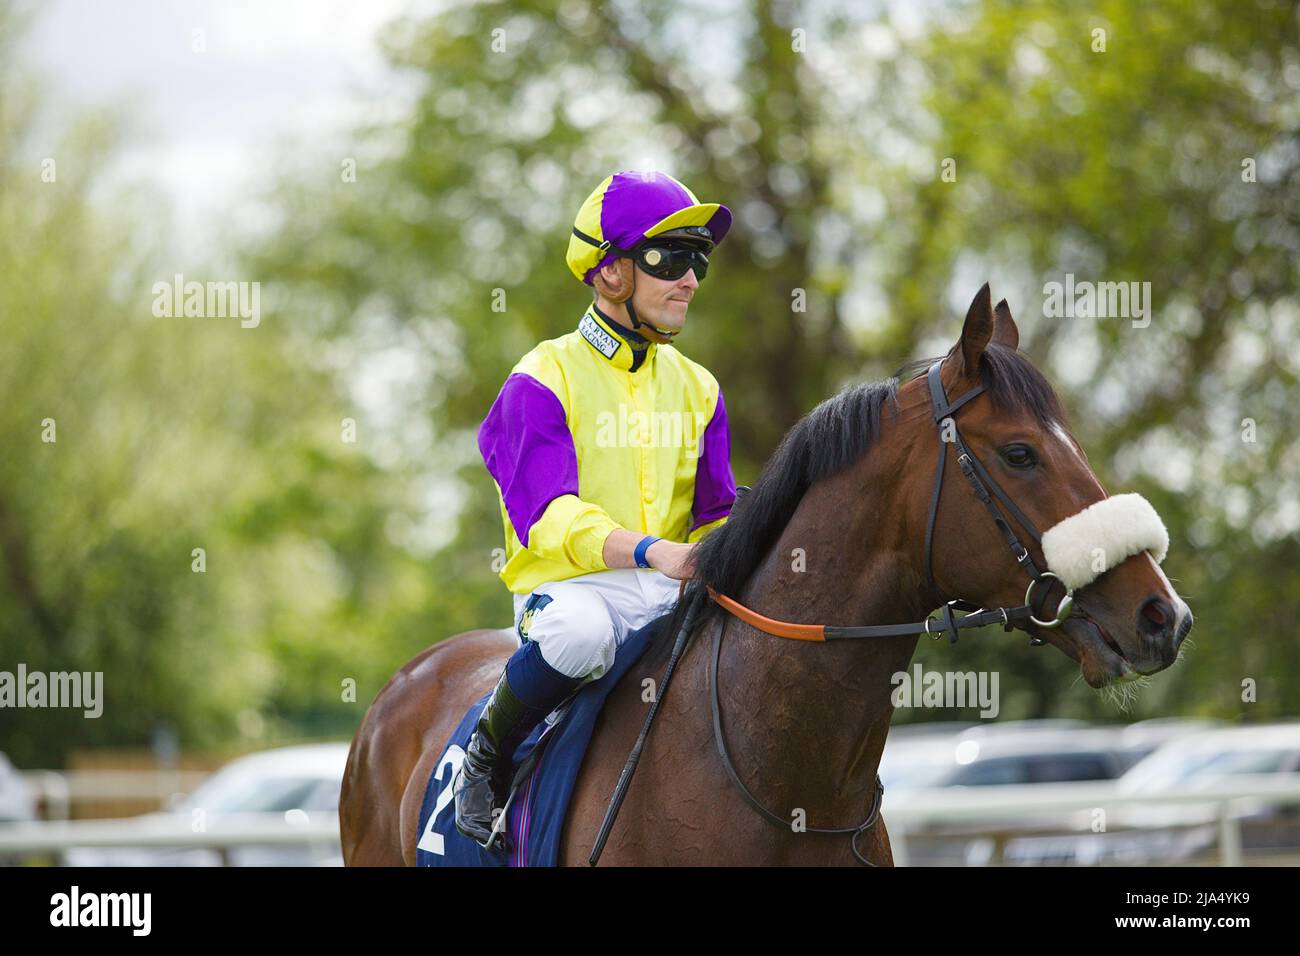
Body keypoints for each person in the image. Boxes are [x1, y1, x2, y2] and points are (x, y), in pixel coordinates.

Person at [454, 170, 738, 846]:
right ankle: (486, 761)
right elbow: (547, 516)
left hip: (673, 591)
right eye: (669, 259)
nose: (691, 278)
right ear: (609, 272)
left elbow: (715, 514)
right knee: (581, 637)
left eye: (698, 260)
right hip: (571, 594)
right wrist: (649, 551)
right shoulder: (539, 379)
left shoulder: (700, 388)